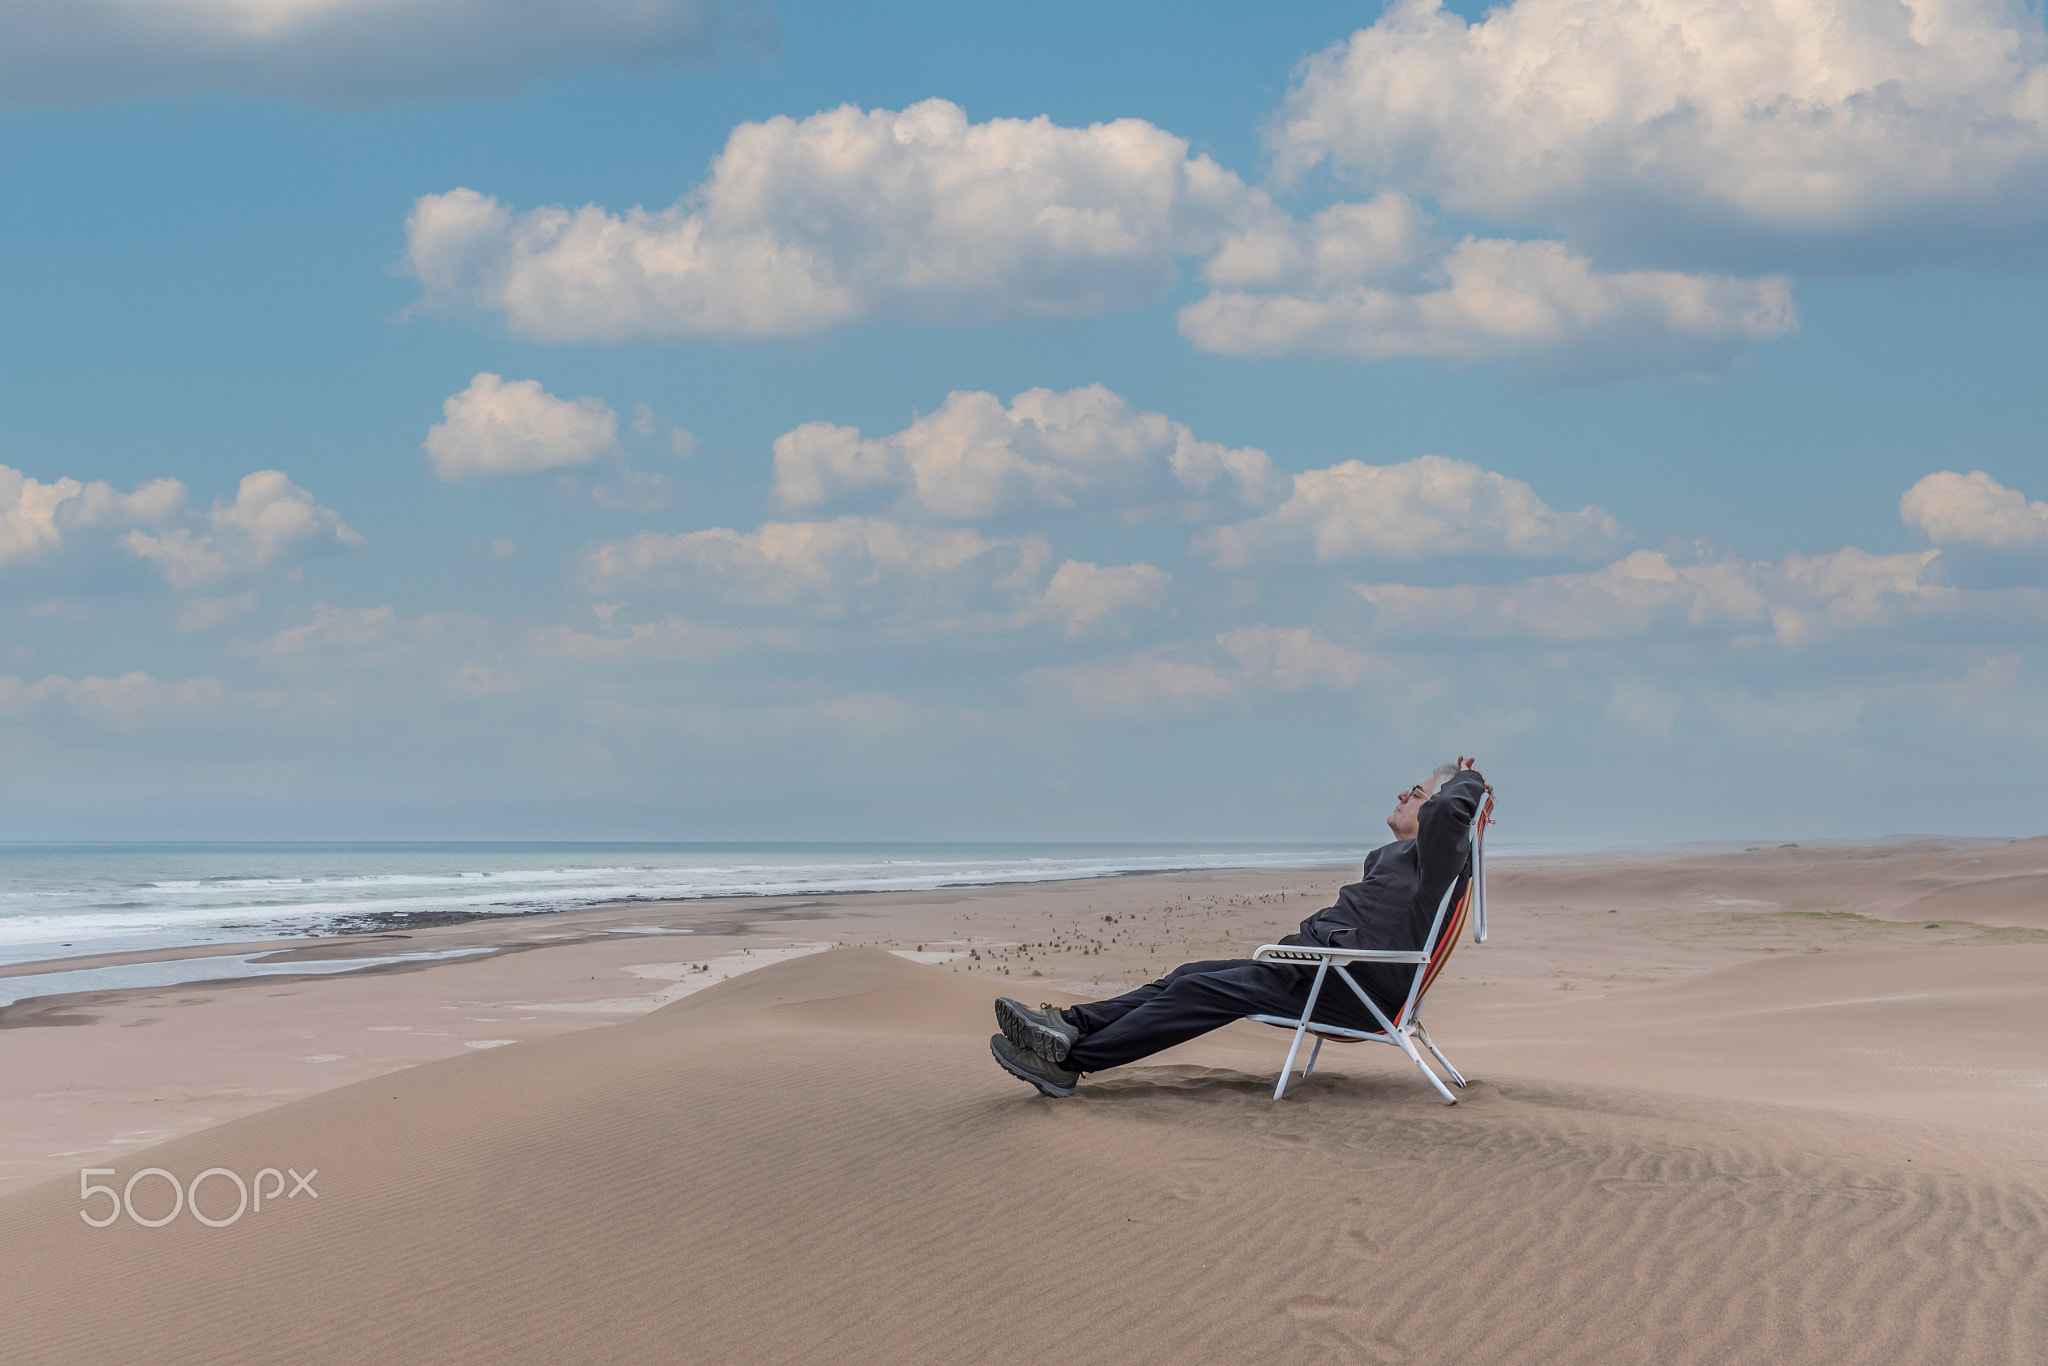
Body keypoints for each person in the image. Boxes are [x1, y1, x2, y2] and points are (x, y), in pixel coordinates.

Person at [988, 757, 1489, 1098]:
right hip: (1316, 971)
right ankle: (1070, 1024)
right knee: (1189, 974)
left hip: (1352, 987)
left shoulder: (1439, 858)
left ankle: (1068, 1064)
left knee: (1203, 990)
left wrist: (1469, 779)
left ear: (1439, 809)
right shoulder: (1395, 857)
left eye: (1417, 792)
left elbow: (1450, 811)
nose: (1403, 794)